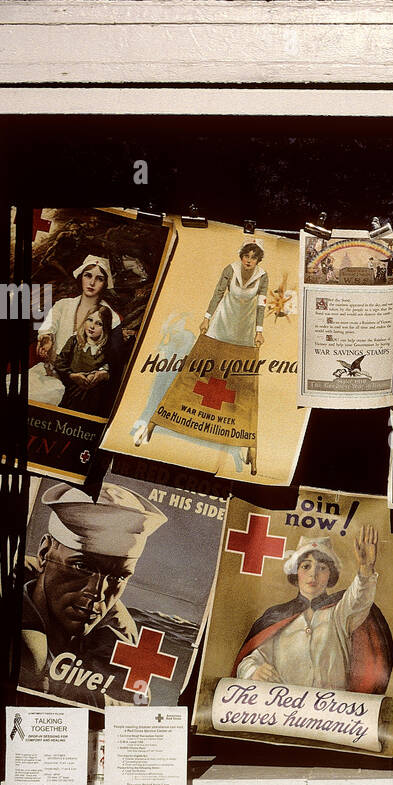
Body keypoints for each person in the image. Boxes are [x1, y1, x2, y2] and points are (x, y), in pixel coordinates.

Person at [19, 482, 167, 709]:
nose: (96, 593)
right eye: (82, 567)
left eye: (119, 577)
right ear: (44, 553)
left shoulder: (119, 639)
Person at [134, 242, 268, 456]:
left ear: (258, 259)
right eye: (246, 256)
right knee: (199, 369)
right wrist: (206, 319)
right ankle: (159, 421)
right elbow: (217, 294)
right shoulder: (230, 270)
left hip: (243, 330)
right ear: (241, 256)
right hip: (221, 324)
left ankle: (240, 438)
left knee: (237, 379)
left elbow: (261, 305)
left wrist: (259, 331)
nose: (249, 260)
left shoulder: (262, 276)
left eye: (253, 257)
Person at [233, 528, 393, 694]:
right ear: (296, 573)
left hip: (333, 709)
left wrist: (366, 568)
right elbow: (249, 662)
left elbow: (359, 598)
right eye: (306, 566)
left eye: (322, 568)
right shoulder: (278, 618)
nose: (313, 575)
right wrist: (254, 671)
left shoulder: (339, 613)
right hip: (286, 707)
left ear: (330, 574)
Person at [30, 255, 122, 406]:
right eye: (88, 275)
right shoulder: (63, 305)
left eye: (99, 278)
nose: (92, 282)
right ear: (81, 277)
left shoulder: (112, 317)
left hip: (85, 385)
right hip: (52, 374)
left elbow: (115, 360)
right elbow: (49, 325)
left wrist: (103, 374)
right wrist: (46, 337)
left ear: (105, 283)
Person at [54, 307, 123, 416]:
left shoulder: (106, 348)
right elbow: (59, 362)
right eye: (90, 320)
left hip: (93, 398)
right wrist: (72, 375)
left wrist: (103, 374)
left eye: (99, 324)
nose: (92, 326)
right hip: (71, 391)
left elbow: (113, 370)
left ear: (105, 327)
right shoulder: (74, 342)